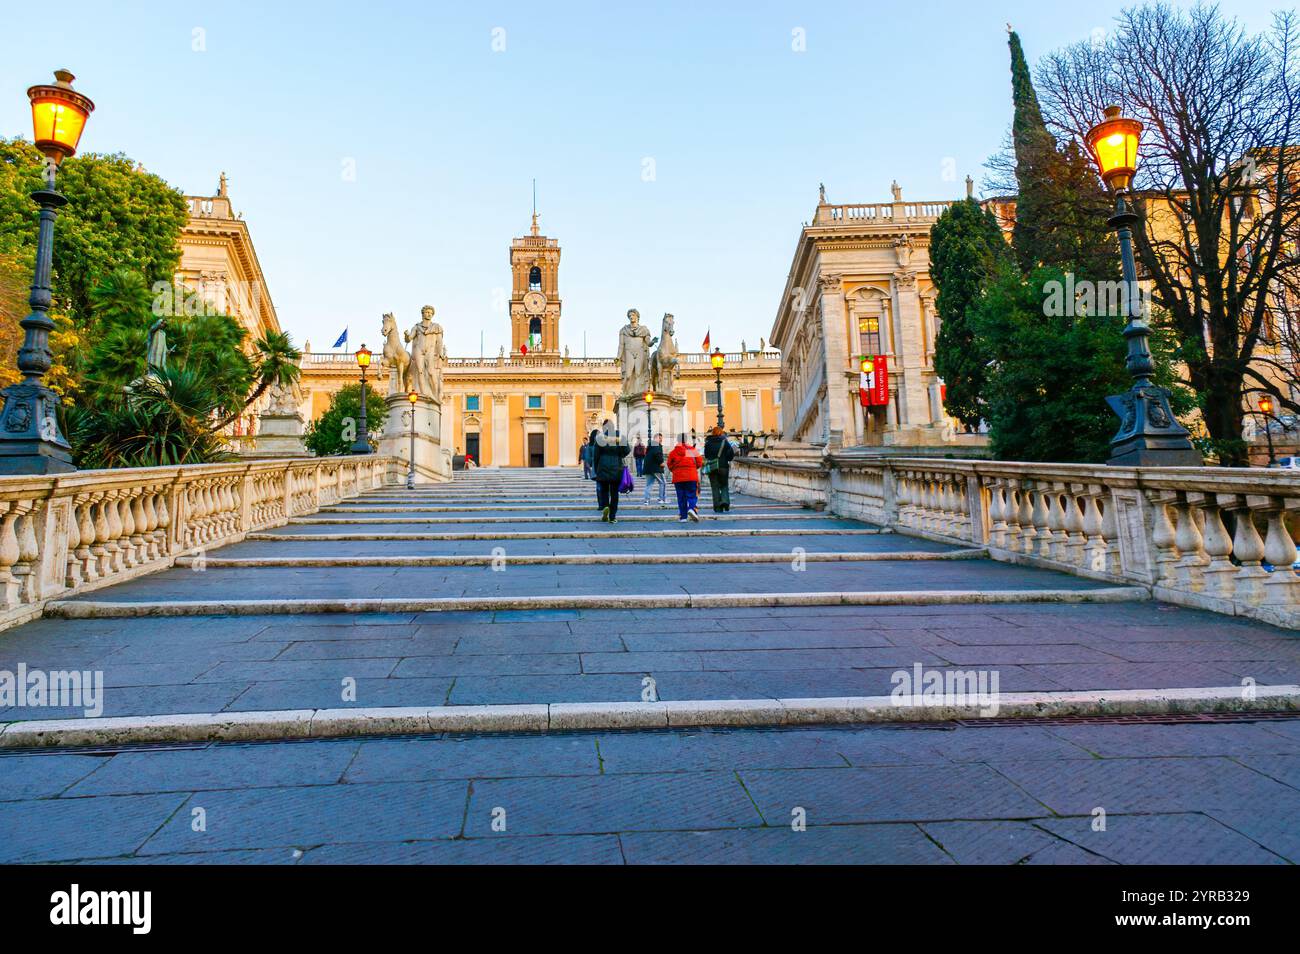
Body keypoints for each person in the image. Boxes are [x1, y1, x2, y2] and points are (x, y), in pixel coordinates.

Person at [592, 422, 630, 523]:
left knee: (604, 490)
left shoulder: (600, 438)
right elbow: (627, 450)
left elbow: (596, 455)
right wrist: (620, 452)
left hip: (603, 467)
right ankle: (612, 517)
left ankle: (605, 506)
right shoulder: (619, 436)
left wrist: (596, 469)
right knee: (614, 493)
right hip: (616, 468)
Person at [666, 432, 704, 522]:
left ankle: (683, 517)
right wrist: (693, 469)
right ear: (686, 440)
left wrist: (675, 471)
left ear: (677, 440)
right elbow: (699, 462)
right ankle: (691, 508)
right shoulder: (692, 450)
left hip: (678, 478)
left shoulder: (673, 452)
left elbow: (669, 465)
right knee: (692, 495)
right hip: (691, 476)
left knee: (681, 497)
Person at [703, 425, 736, 513]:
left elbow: (706, 455)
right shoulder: (725, 442)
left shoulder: (708, 442)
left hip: (713, 467)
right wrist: (726, 459)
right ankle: (725, 502)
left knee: (715, 487)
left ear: (712, 433)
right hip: (723, 467)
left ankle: (717, 507)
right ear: (721, 432)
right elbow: (731, 455)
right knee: (724, 485)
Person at [642, 432, 667, 506]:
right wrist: (661, 462)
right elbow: (657, 454)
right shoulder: (656, 445)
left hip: (648, 468)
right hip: (656, 468)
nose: (661, 440)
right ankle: (661, 499)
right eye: (660, 438)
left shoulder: (650, 446)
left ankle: (646, 500)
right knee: (663, 482)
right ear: (657, 438)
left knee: (648, 484)